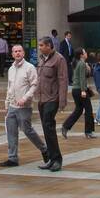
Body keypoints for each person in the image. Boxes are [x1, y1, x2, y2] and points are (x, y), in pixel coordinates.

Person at [1, 43, 48, 168]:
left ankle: (44, 149)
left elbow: (34, 85)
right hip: (12, 105)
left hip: (24, 106)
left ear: (23, 53)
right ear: (12, 54)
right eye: (15, 51)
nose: (17, 53)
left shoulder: (29, 67)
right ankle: (12, 158)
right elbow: (9, 87)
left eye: (19, 51)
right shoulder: (11, 69)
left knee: (27, 130)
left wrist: (25, 98)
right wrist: (6, 104)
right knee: (11, 132)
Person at [35, 37, 68, 171]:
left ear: (49, 46)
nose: (39, 47)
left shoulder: (59, 59)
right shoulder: (42, 59)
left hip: (52, 99)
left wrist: (62, 101)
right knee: (46, 129)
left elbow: (63, 80)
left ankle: (57, 159)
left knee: (49, 128)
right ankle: (51, 158)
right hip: (42, 99)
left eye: (42, 45)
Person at [60, 47, 95, 139]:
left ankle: (65, 126)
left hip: (75, 90)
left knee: (79, 110)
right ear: (81, 55)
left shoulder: (77, 63)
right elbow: (82, 78)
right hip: (80, 89)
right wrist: (83, 90)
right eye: (84, 52)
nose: (86, 53)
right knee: (88, 110)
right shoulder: (82, 63)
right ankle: (88, 131)